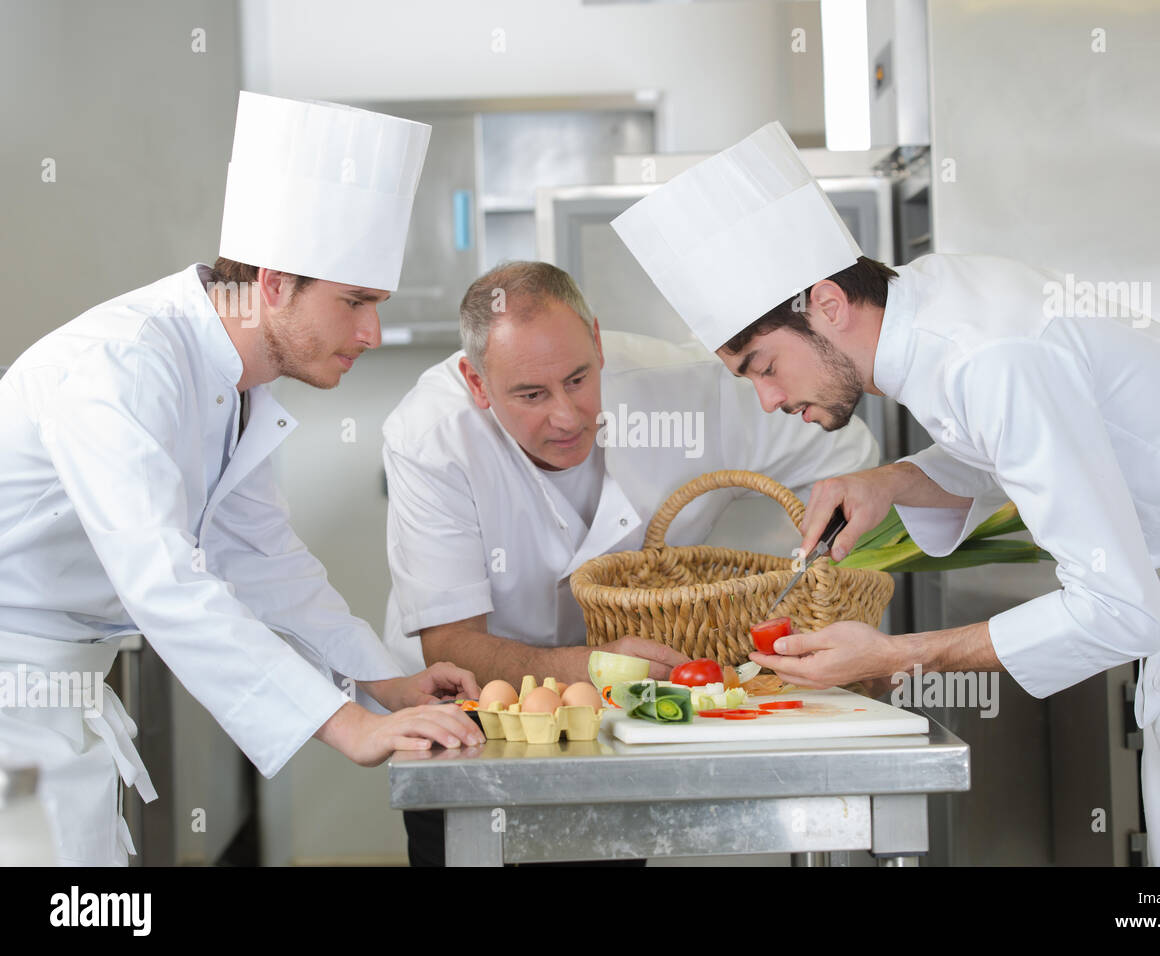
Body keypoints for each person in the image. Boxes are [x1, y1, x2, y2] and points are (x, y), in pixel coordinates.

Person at [612, 121, 1160, 866]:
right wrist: (891, 481)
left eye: (764, 365)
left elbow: (1117, 611)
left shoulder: (986, 354)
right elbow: (1006, 448)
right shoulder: (934, 309)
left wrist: (895, 655)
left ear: (828, 303)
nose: (769, 400)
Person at [0, 92, 483, 866]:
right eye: (355, 302)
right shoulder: (123, 364)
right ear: (272, 282)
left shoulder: (236, 385)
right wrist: (345, 724)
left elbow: (264, 561)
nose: (372, 332)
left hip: (59, 699)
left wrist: (384, 682)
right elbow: (165, 579)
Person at [382, 260, 881, 864]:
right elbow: (451, 644)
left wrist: (808, 589)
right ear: (478, 383)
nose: (566, 416)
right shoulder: (430, 435)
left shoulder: (691, 394)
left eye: (578, 379)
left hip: (622, 726)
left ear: (596, 341)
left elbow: (848, 460)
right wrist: (589, 668)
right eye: (531, 395)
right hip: (472, 722)